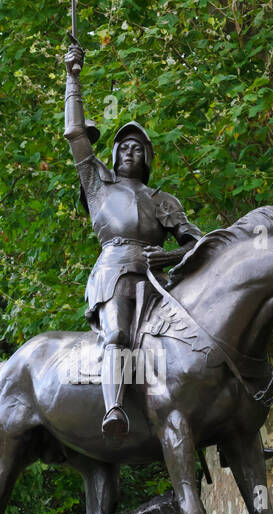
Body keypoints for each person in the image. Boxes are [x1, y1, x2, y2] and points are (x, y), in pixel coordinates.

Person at [64, 37, 202, 439]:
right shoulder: (98, 187)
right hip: (115, 275)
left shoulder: (164, 200)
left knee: (205, 336)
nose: (127, 152)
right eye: (122, 147)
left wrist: (166, 258)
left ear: (148, 158)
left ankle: (222, 419)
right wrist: (73, 77)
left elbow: (197, 244)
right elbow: (75, 133)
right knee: (119, 334)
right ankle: (114, 409)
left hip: (160, 281)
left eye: (136, 148)